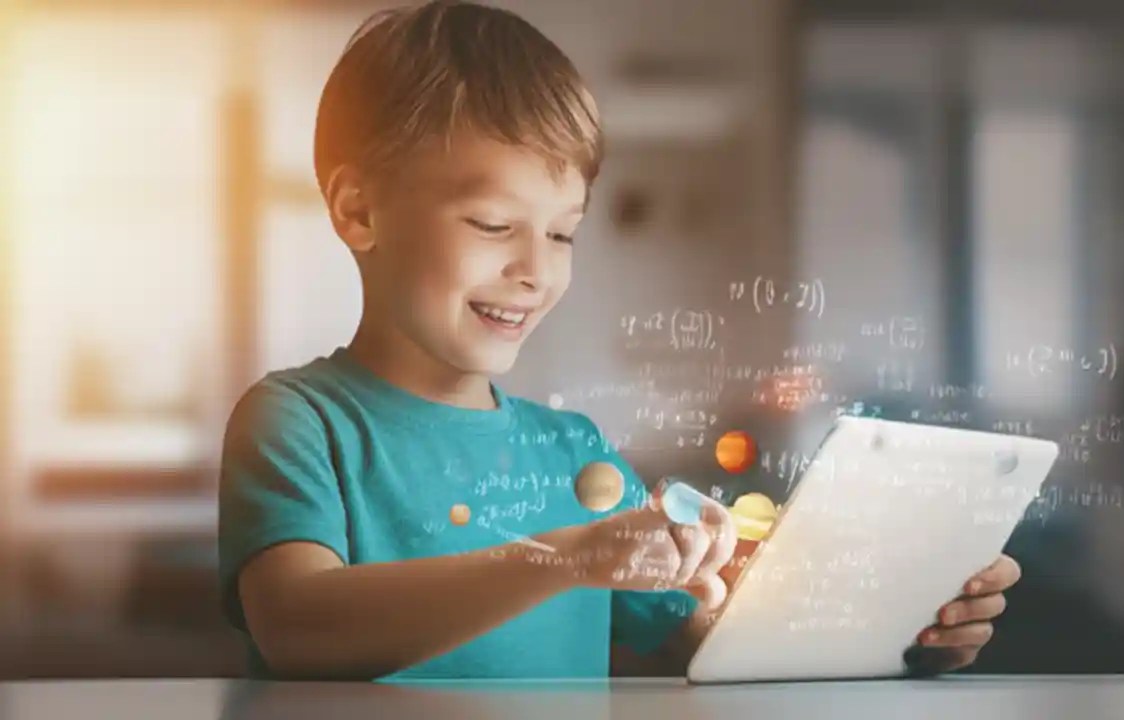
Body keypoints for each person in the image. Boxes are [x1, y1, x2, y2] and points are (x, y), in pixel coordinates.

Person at [217, 0, 1021, 682]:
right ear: (359, 212)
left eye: (563, 234)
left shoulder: (576, 450)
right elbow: (298, 624)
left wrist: (907, 622)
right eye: (495, 225)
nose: (536, 270)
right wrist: (566, 559)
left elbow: (713, 641)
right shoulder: (298, 423)